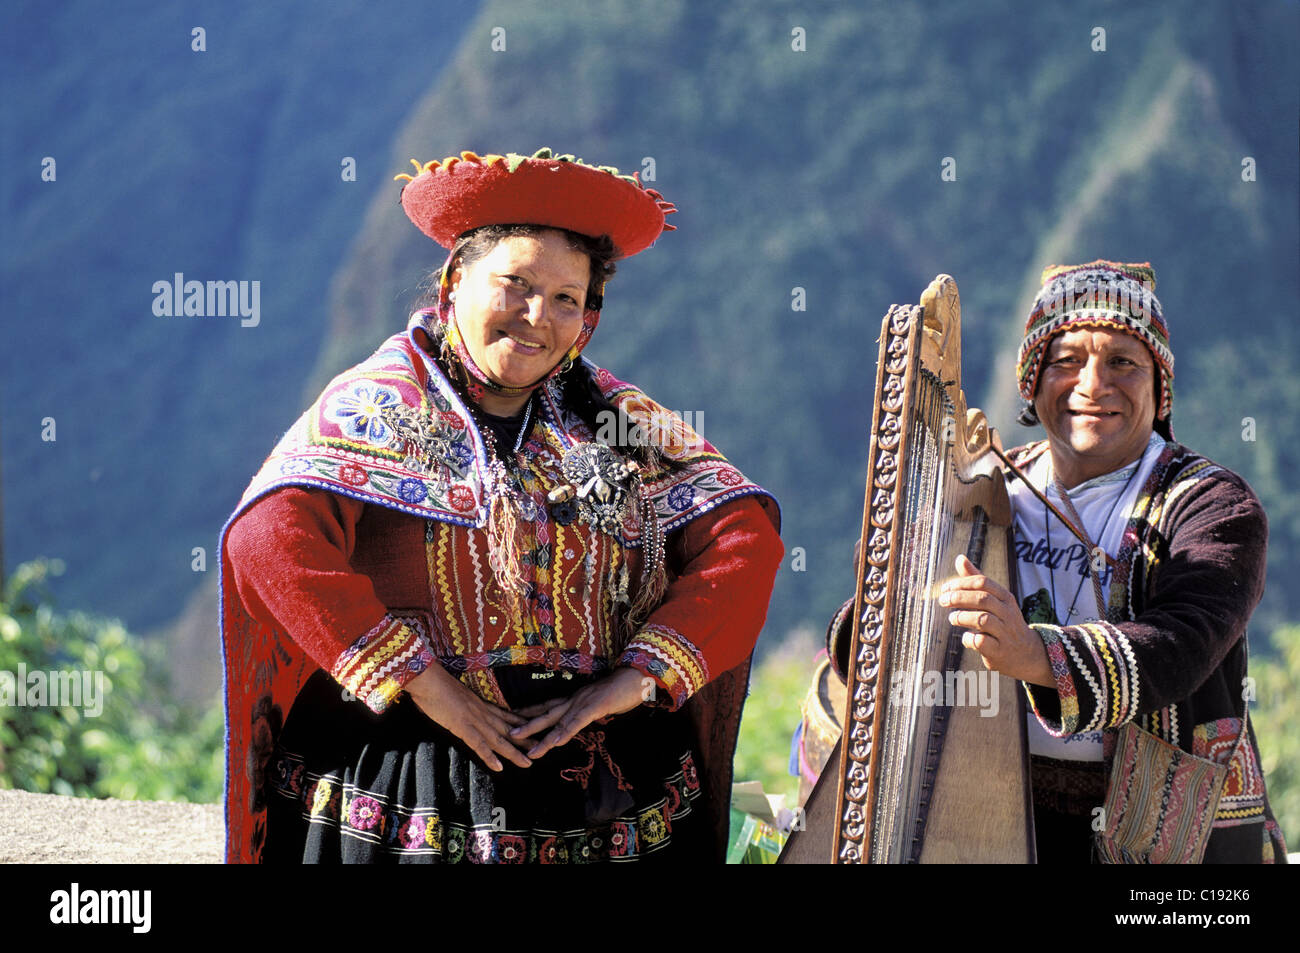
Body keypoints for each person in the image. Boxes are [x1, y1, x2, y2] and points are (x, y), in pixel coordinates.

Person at [219, 148, 783, 863]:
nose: (535, 317)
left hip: (606, 794)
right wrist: (425, 682)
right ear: (455, 281)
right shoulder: (382, 401)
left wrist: (632, 680)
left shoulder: (611, 415)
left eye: (566, 299)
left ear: (589, 318)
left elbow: (746, 537)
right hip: (411, 788)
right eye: (514, 284)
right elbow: (267, 536)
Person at [939, 260, 1287, 863]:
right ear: (1032, 380)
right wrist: (887, 597)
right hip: (999, 814)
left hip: (1171, 838)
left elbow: (1178, 646)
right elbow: (873, 633)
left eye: (1122, 362)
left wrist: (1036, 655)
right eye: (1066, 360)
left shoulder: (1212, 506)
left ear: (1160, 387)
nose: (1092, 385)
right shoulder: (990, 490)